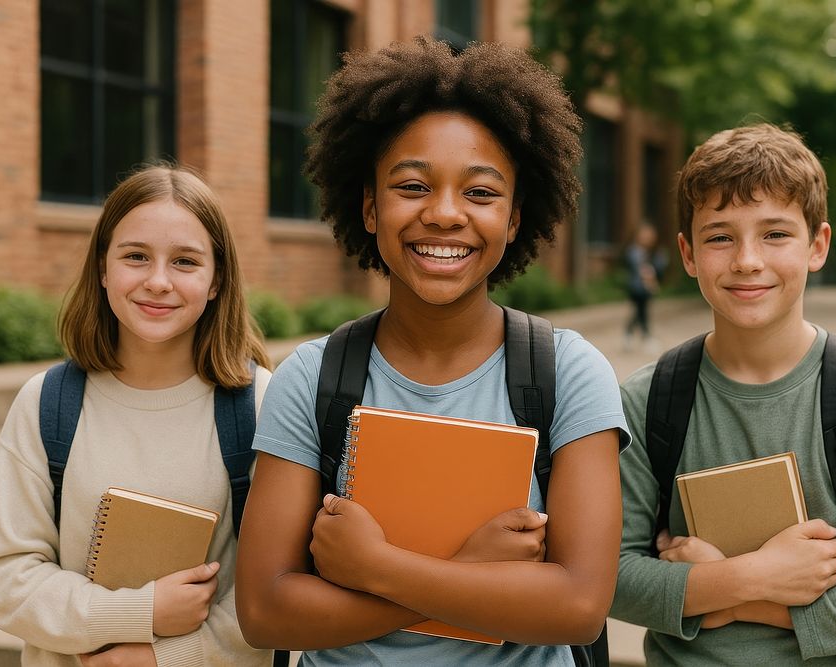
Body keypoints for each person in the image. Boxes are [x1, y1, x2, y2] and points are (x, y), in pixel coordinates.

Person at [235, 37, 629, 665]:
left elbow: (579, 608)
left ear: (516, 217)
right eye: (413, 186)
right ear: (369, 206)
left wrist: (376, 566)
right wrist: (473, 572)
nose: (445, 215)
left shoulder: (569, 373)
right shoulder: (313, 378)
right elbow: (263, 611)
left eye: (480, 193)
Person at [610, 124, 836, 663]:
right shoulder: (647, 400)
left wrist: (727, 594)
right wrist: (756, 575)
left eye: (775, 234)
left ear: (818, 245)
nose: (747, 260)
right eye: (720, 236)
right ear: (688, 254)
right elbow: (609, 576)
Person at [0, 164, 273, 667]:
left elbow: (277, 590)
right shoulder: (46, 403)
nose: (157, 281)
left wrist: (165, 656)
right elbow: (5, 578)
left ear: (217, 280)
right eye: (136, 257)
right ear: (103, 269)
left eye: (185, 262)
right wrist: (141, 612)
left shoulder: (259, 404)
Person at [623, 222, 667, 351]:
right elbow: (643, 270)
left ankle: (630, 335)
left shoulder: (652, 252)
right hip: (636, 288)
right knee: (641, 313)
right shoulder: (634, 251)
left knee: (639, 313)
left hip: (645, 289)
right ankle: (644, 337)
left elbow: (658, 268)